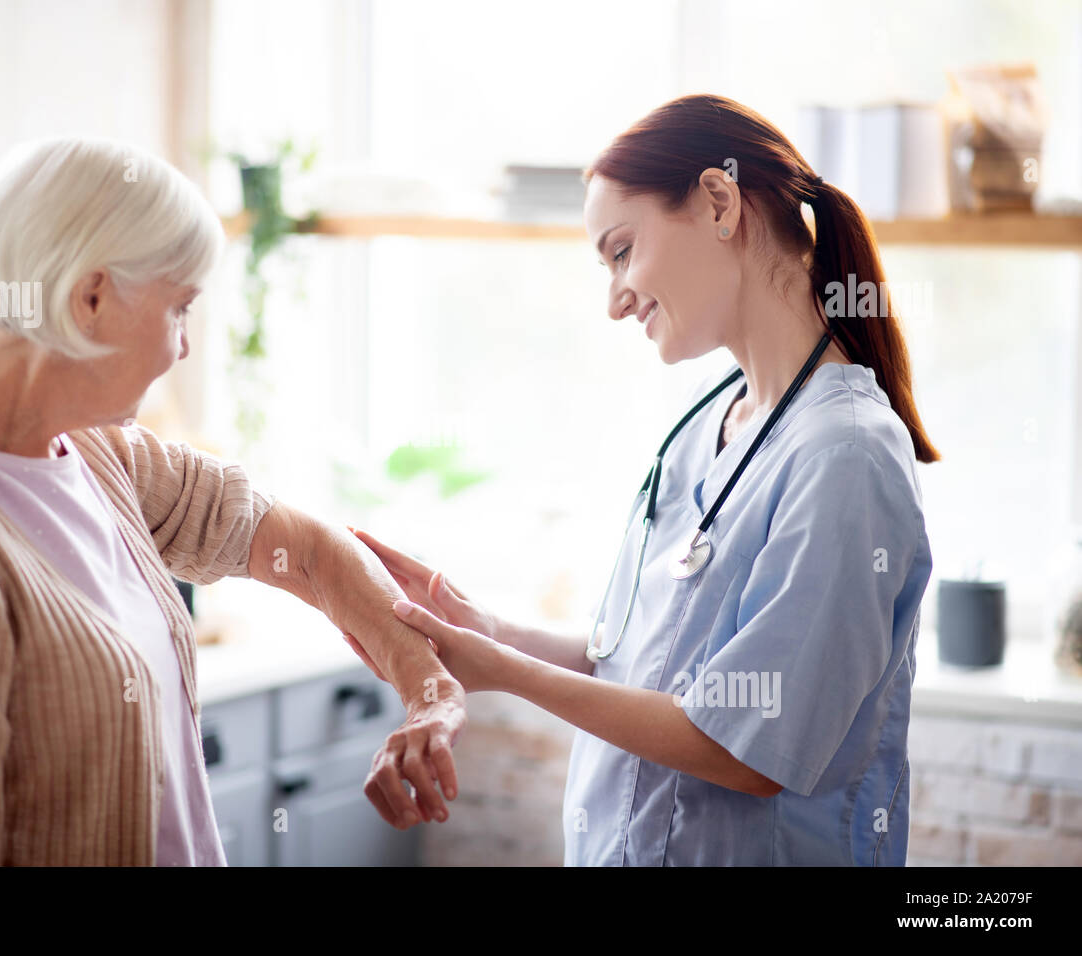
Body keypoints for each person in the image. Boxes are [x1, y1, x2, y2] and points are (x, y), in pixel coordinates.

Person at [0, 137, 462, 866]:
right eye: (180, 309)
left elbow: (304, 549)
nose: (182, 349)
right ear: (91, 297)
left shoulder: (90, 450)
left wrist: (428, 690)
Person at [349, 93, 938, 866]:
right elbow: (636, 663)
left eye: (622, 251)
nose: (615, 299)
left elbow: (750, 752)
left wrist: (507, 672)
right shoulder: (704, 430)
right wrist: (491, 634)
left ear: (720, 201)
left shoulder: (845, 457)